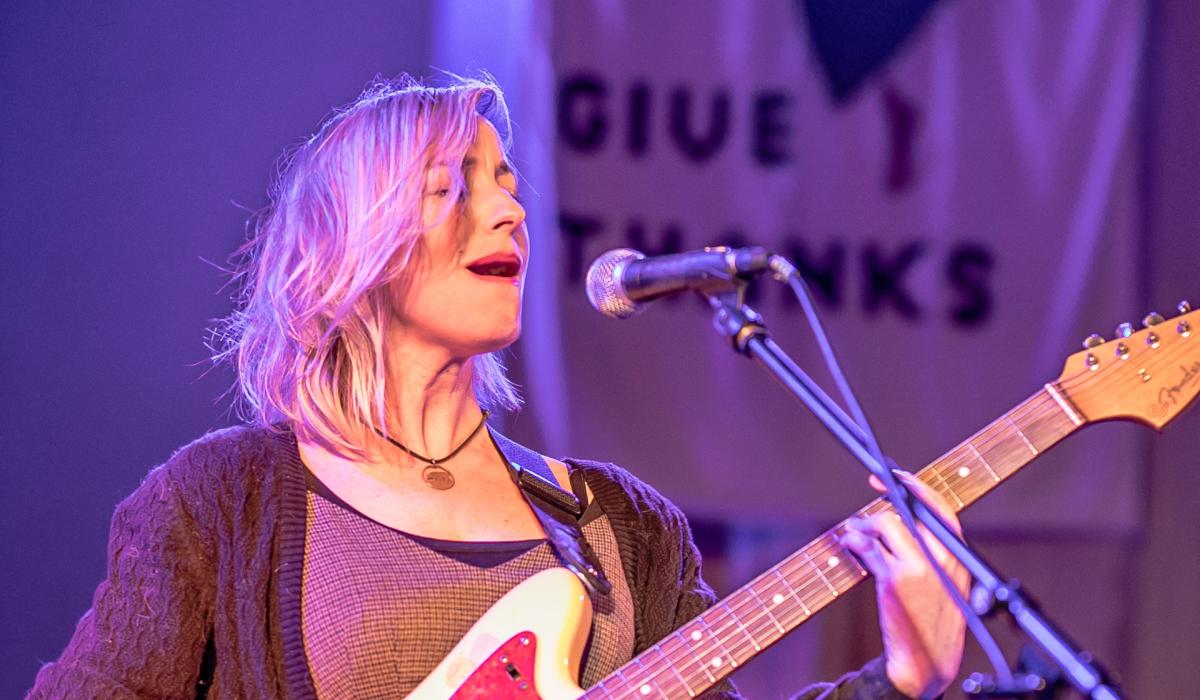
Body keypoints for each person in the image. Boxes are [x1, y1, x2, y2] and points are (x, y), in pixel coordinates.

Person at [28, 76, 967, 699]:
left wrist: (906, 675)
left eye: (510, 184)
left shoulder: (622, 527)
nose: (511, 208)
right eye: (455, 187)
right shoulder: (223, 503)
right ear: (352, 247)